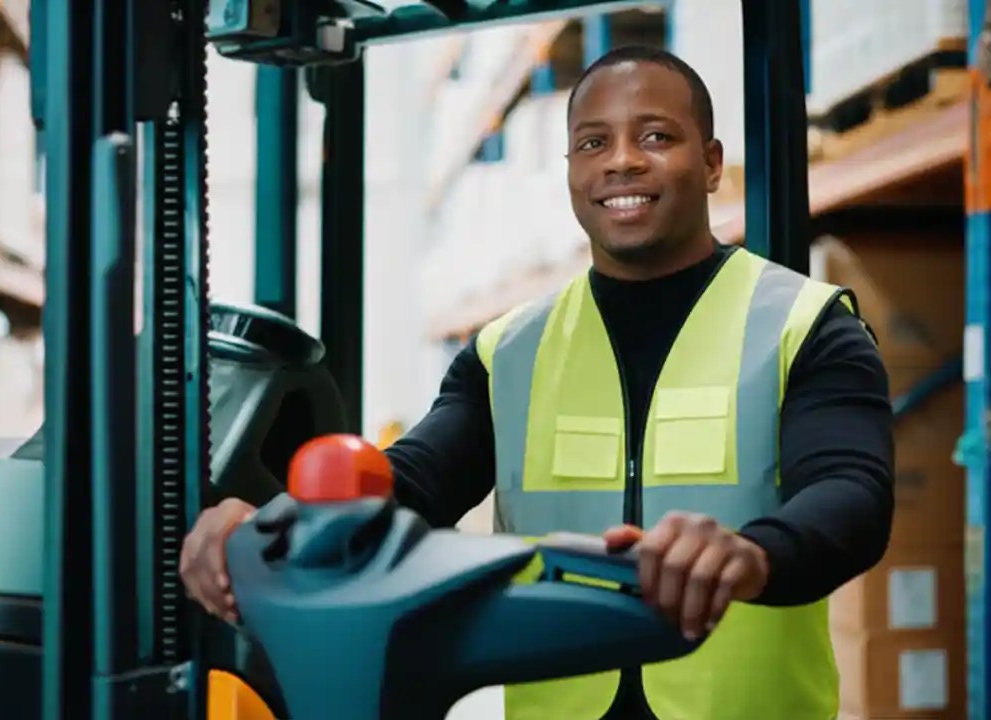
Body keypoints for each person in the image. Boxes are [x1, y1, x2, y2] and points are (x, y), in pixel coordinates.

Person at [181, 45, 894, 720]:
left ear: (710, 164)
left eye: (654, 137)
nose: (620, 162)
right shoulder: (507, 351)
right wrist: (273, 526)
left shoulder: (804, 324)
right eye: (592, 143)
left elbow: (848, 496)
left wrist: (750, 554)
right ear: (569, 170)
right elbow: (414, 484)